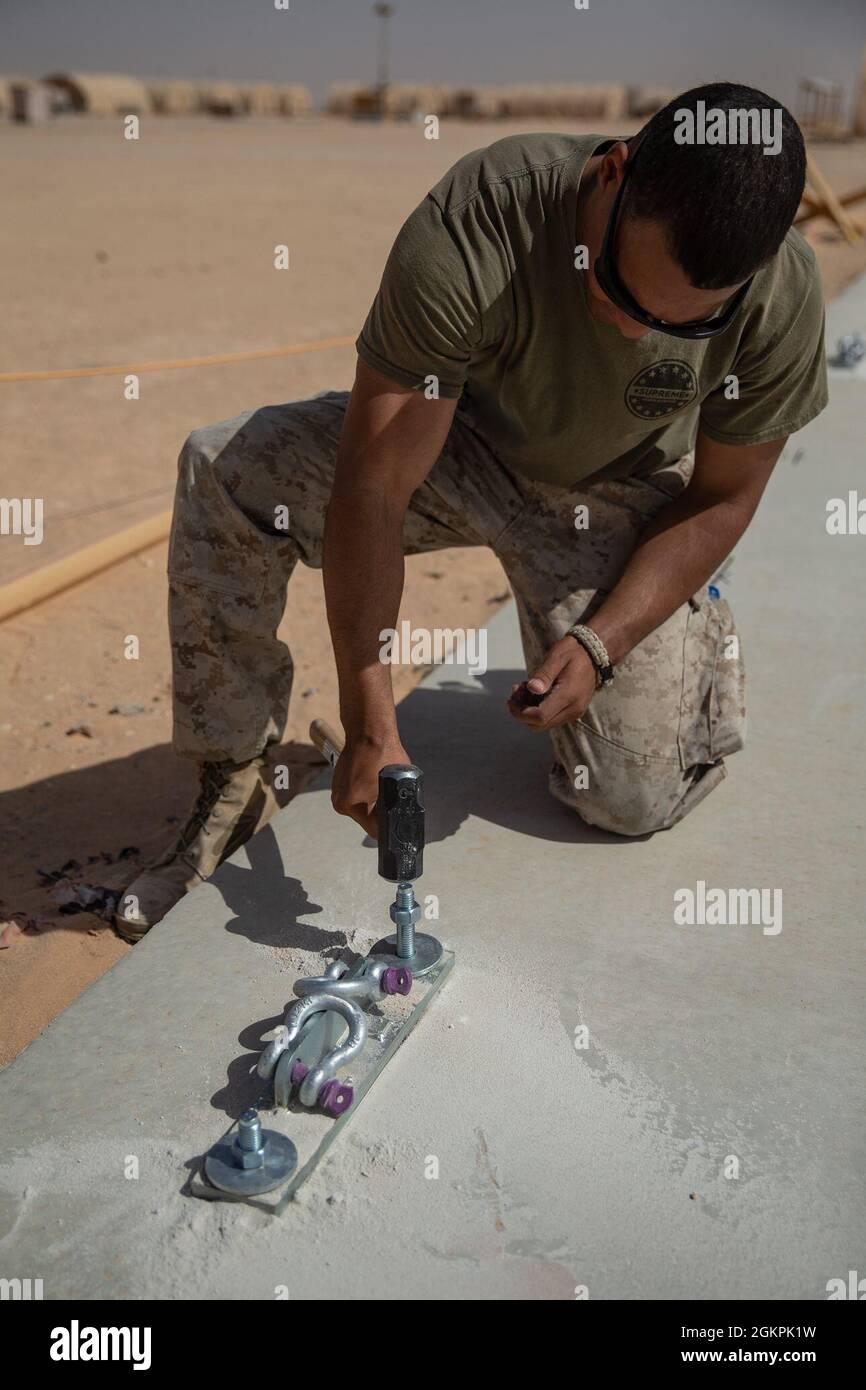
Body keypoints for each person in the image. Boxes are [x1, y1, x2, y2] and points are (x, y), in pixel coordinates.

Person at [115, 82, 827, 941]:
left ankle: (681, 639)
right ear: (611, 175)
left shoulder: (782, 294)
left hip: (621, 488)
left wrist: (606, 644)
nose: (634, 332)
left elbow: (724, 494)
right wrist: (369, 720)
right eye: (618, 291)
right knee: (227, 471)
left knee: (630, 800)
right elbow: (375, 488)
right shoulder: (482, 221)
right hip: (454, 445)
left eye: (678, 322)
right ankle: (230, 777)